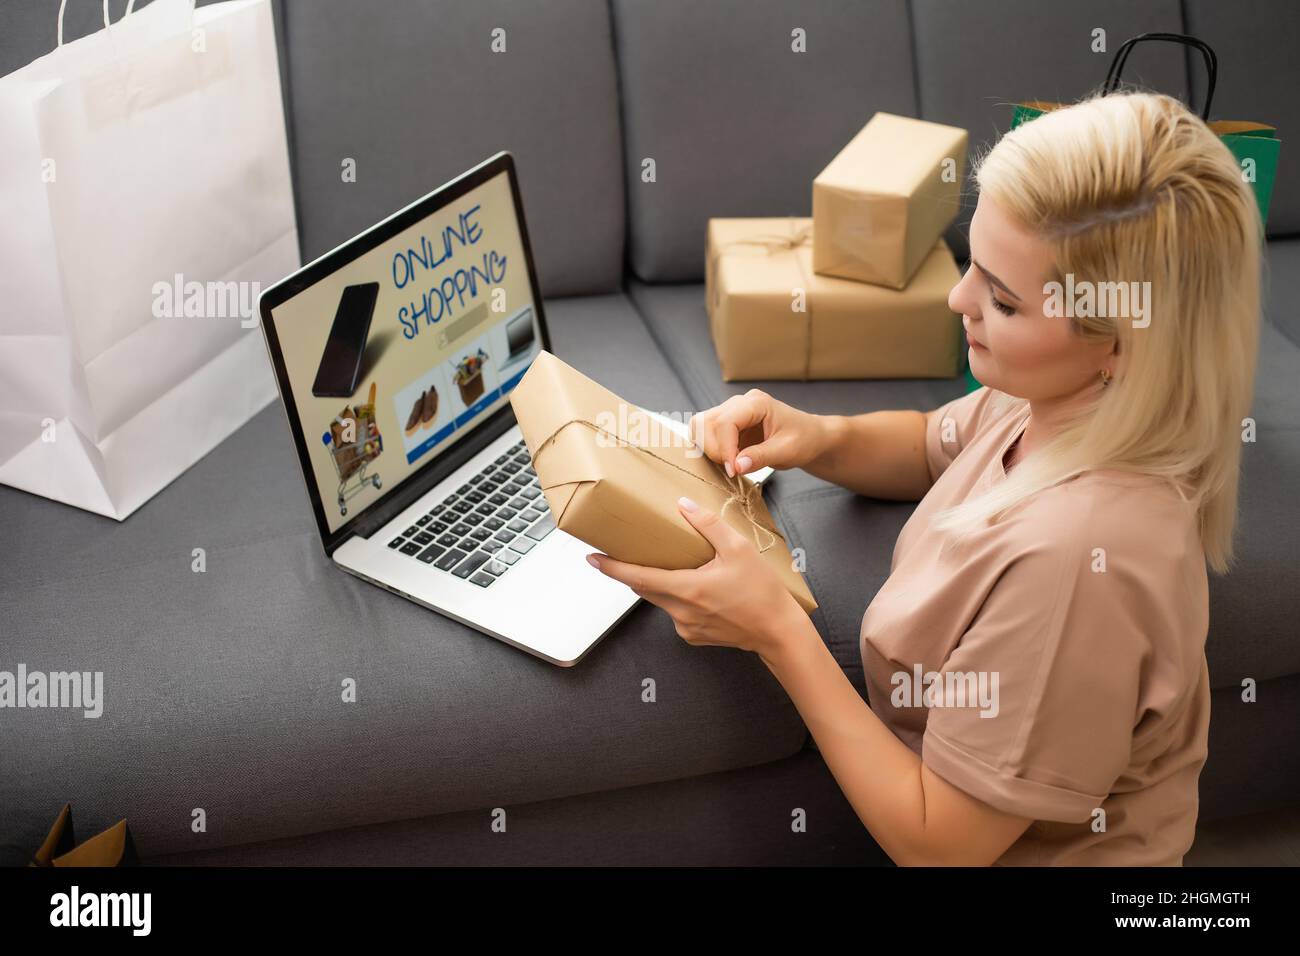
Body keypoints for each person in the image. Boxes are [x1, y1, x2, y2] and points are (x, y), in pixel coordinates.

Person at [586, 90, 1262, 866]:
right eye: (974, 261)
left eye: (1002, 301)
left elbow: (941, 846)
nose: (956, 298)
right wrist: (817, 435)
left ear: (1124, 344)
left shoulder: (1075, 568)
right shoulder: (1051, 398)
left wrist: (777, 632)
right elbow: (929, 443)